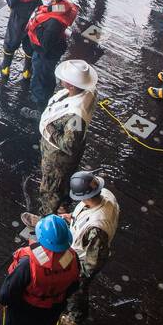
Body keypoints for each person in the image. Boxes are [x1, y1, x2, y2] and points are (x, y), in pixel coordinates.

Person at [58, 171, 120, 325]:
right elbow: (87, 215)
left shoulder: (97, 228)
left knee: (77, 290)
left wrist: (78, 278)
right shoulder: (105, 194)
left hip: (82, 260)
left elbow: (94, 261)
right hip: (80, 248)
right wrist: (72, 218)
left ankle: (76, 321)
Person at [35, 59, 97, 215]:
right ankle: (63, 202)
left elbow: (69, 145)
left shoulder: (76, 117)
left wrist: (50, 129)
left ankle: (47, 218)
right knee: (62, 184)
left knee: (51, 188)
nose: (61, 79)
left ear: (72, 85)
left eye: (65, 79)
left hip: (58, 160)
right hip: (56, 154)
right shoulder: (88, 91)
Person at [26, 0, 78, 107]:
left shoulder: (54, 23)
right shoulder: (61, 7)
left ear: (55, 0)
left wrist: (36, 27)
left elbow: (45, 43)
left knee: (41, 78)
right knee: (46, 75)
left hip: (45, 54)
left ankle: (39, 106)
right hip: (55, 48)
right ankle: (44, 96)